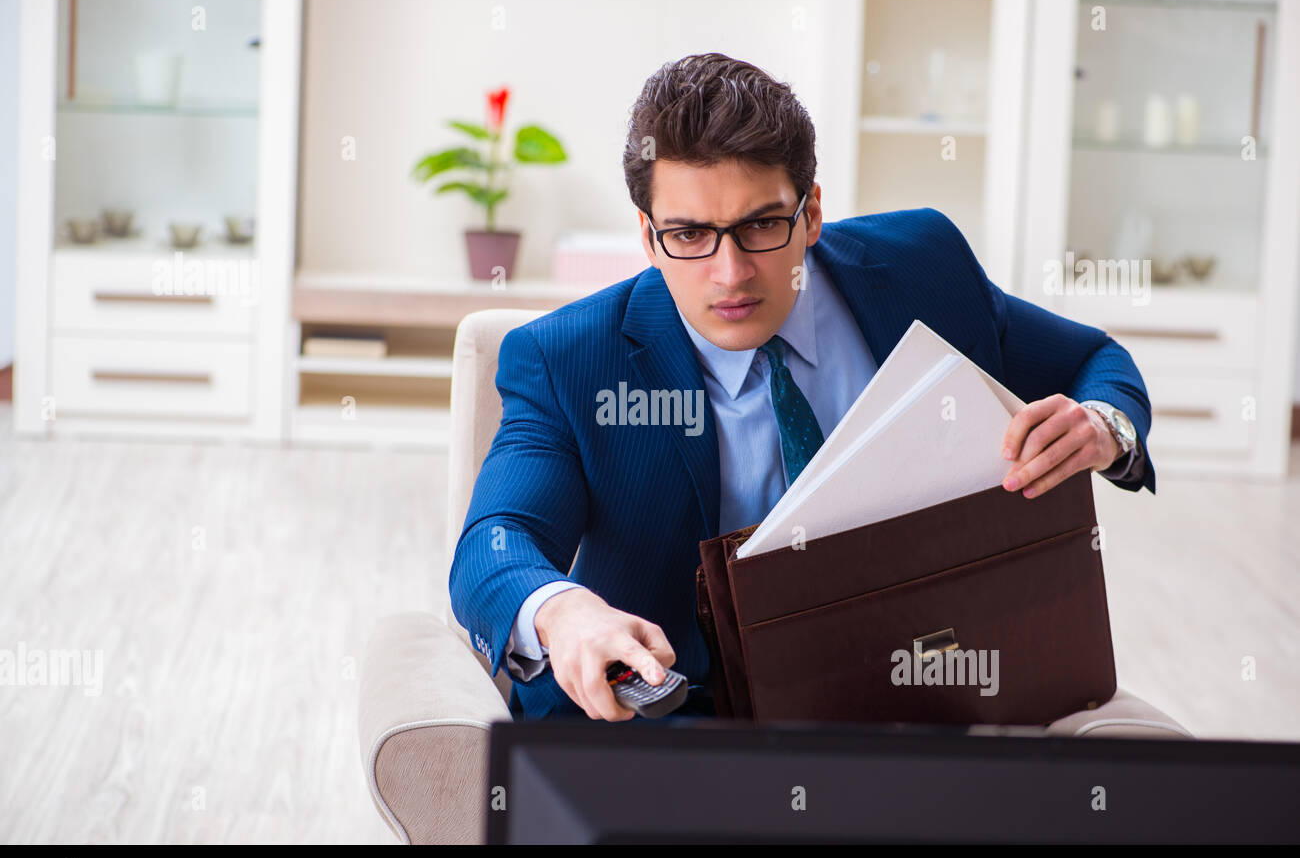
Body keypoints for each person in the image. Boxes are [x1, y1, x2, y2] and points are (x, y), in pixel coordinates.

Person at [449, 52, 1153, 723]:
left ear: (811, 212)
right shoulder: (569, 359)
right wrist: (562, 610)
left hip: (927, 686)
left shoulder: (922, 267)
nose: (729, 273)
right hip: (683, 717)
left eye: (760, 225)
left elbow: (1096, 358)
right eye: (689, 234)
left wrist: (1103, 426)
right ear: (647, 236)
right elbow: (495, 540)